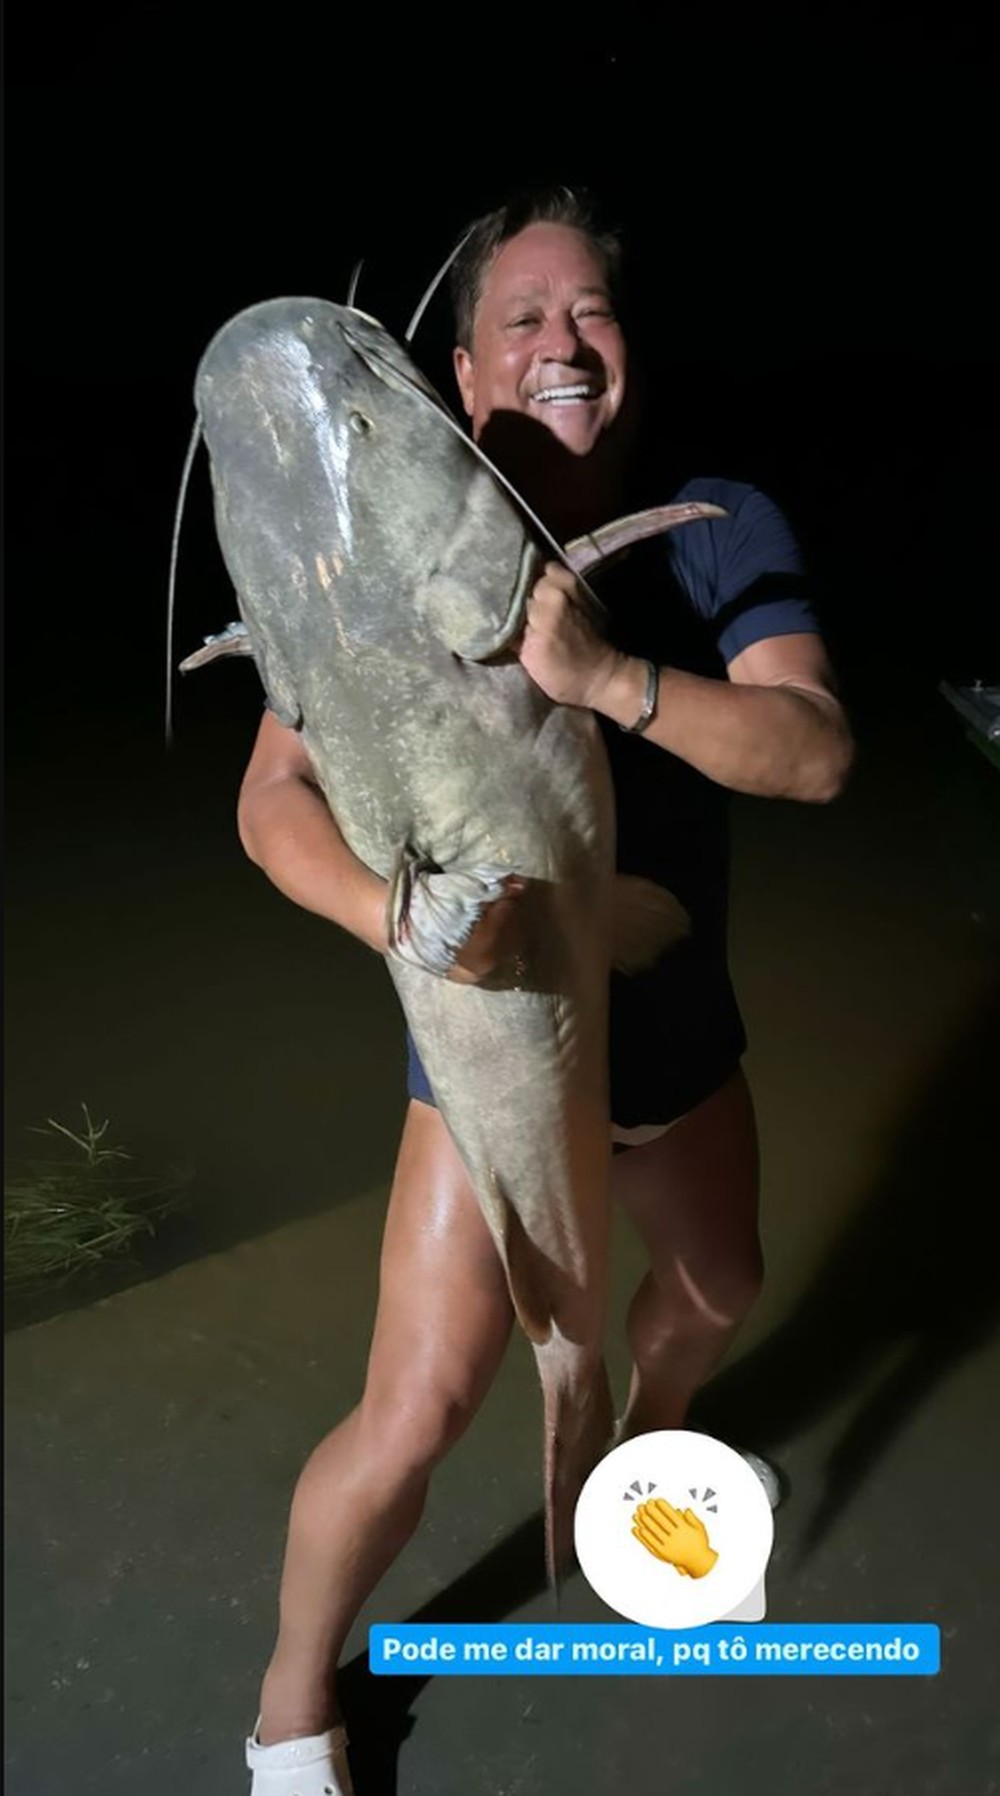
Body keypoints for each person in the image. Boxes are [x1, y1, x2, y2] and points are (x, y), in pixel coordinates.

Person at [238, 187, 854, 1794]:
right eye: (523, 320)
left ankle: (637, 1450)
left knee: (720, 1291)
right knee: (419, 1410)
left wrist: (601, 679)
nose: (563, 345)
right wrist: (397, 917)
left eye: (590, 312)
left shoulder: (718, 522)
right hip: (492, 1053)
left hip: (672, 1030)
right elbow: (269, 803)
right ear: (458, 372)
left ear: (630, 347)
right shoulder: (370, 560)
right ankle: (294, 1707)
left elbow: (816, 755)